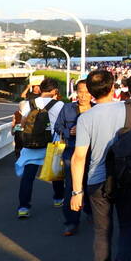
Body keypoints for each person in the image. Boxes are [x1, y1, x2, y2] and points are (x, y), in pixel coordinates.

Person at [69, 69, 131, 261]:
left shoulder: (85, 118)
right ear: (113, 87)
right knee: (128, 225)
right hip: (127, 176)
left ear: (91, 93)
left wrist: (76, 191)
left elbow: (79, 156)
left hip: (97, 180)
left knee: (102, 231)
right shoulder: (130, 108)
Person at [13, 77, 66, 218]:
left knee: (28, 177)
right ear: (55, 90)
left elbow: (23, 123)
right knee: (56, 173)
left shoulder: (29, 103)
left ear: (41, 89)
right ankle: (58, 199)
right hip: (52, 142)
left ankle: (23, 207)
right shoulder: (59, 104)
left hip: (32, 143)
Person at [52, 78, 91, 236]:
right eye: (80, 92)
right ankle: (71, 222)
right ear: (76, 92)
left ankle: (90, 212)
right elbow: (57, 127)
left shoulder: (96, 110)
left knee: (91, 184)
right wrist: (69, 132)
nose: (83, 96)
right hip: (71, 151)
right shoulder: (67, 108)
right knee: (71, 186)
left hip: (91, 152)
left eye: (87, 92)